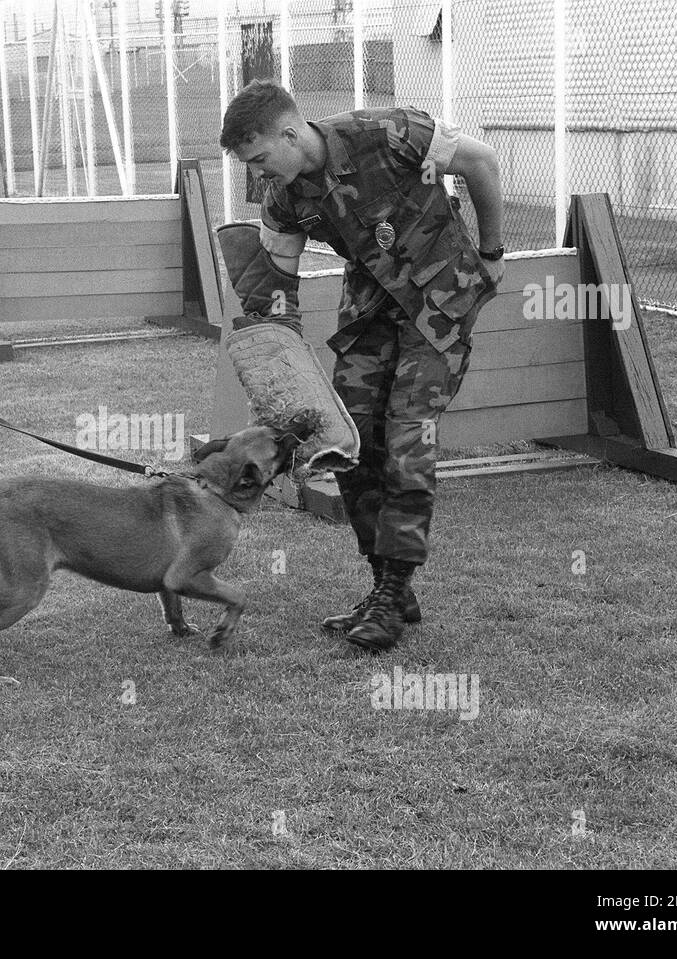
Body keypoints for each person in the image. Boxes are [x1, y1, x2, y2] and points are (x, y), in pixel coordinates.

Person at [220, 81, 506, 652]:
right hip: (371, 308)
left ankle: (391, 593)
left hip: (440, 303)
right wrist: (279, 353)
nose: (258, 176)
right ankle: (389, 588)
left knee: (407, 437)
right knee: (345, 440)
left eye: (259, 160)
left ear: (290, 133)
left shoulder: (390, 133)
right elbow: (278, 280)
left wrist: (493, 253)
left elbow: (481, 160)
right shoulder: (282, 199)